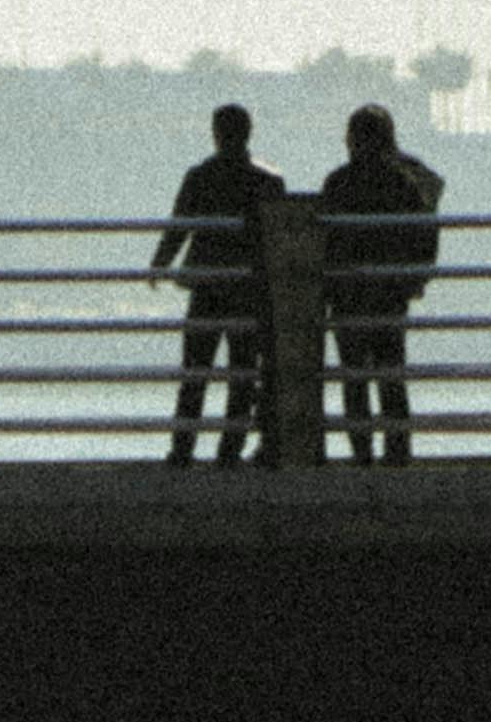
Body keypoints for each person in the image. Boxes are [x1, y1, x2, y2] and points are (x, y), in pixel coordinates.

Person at [149, 102, 283, 461]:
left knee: (195, 372)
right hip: (248, 288)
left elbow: (180, 225)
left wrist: (161, 262)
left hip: (206, 286)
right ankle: (230, 449)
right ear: (248, 132)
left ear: (216, 133)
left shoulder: (200, 176)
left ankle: (182, 448)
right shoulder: (268, 181)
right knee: (243, 373)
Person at [315, 102, 447, 463]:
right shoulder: (403, 181)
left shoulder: (338, 182)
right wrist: (416, 277)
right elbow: (424, 231)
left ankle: (362, 454)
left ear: (352, 138)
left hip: (347, 293)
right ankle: (397, 452)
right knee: (391, 376)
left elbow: (323, 239)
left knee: (354, 379)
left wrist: (325, 286)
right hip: (390, 291)